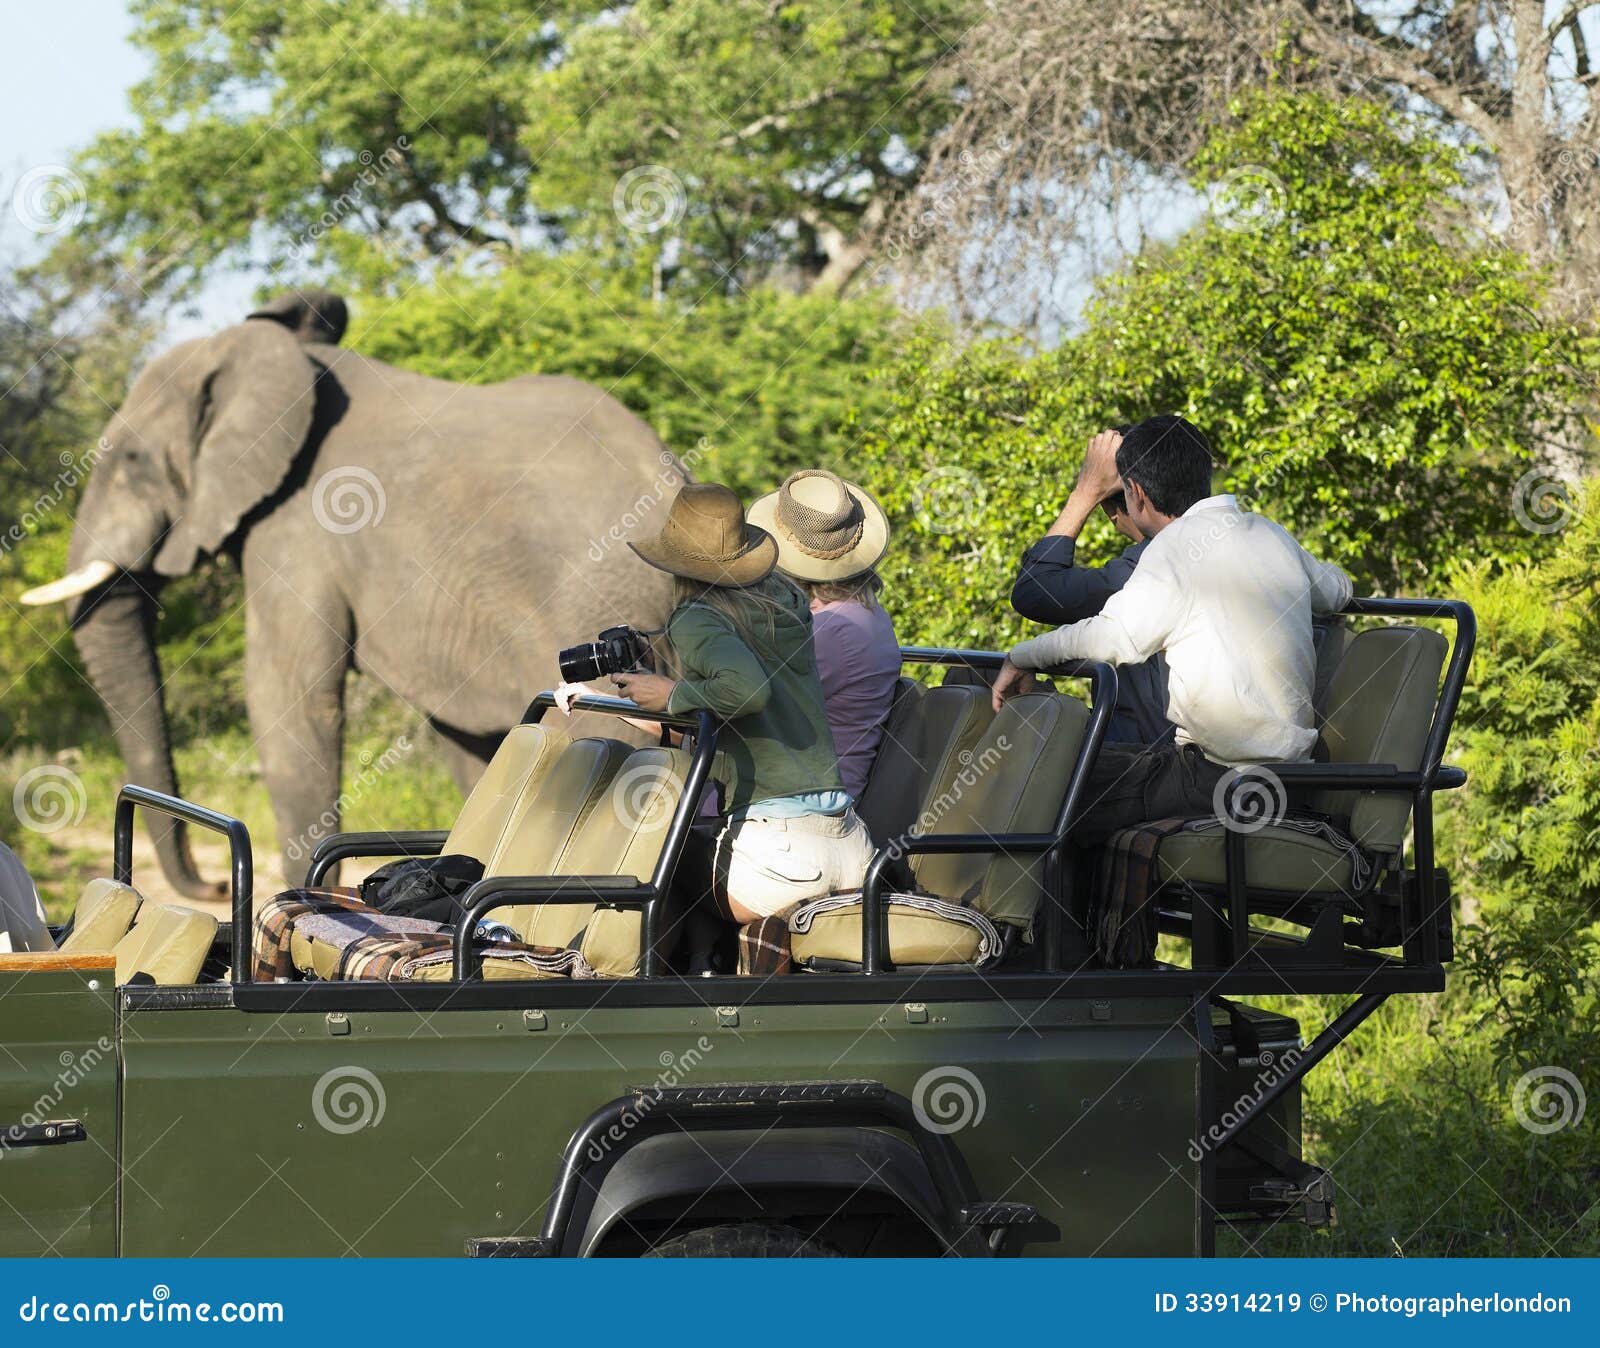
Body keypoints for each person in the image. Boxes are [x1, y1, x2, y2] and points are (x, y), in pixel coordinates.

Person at [991, 416, 1353, 844]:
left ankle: (1044, 912)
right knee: (1084, 768)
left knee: (1034, 785)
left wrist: (1021, 655)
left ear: (1138, 494)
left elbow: (1111, 638)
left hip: (1215, 780)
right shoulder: (1271, 534)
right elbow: (1338, 590)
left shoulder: (1170, 550)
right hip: (1290, 777)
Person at [610, 482, 874, 926]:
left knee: (651, 868)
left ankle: (700, 981)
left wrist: (672, 694)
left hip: (779, 863)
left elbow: (749, 691)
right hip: (850, 848)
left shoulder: (696, 617)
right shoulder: (787, 604)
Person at [1010, 428, 1174, 746]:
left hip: (1156, 765)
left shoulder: (1147, 566)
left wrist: (1085, 492)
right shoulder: (1243, 542)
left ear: (1127, 501)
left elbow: (1033, 592)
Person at [747, 469, 899, 802]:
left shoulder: (831, 629)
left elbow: (748, 709)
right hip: (807, 785)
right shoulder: (862, 613)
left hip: (803, 798)